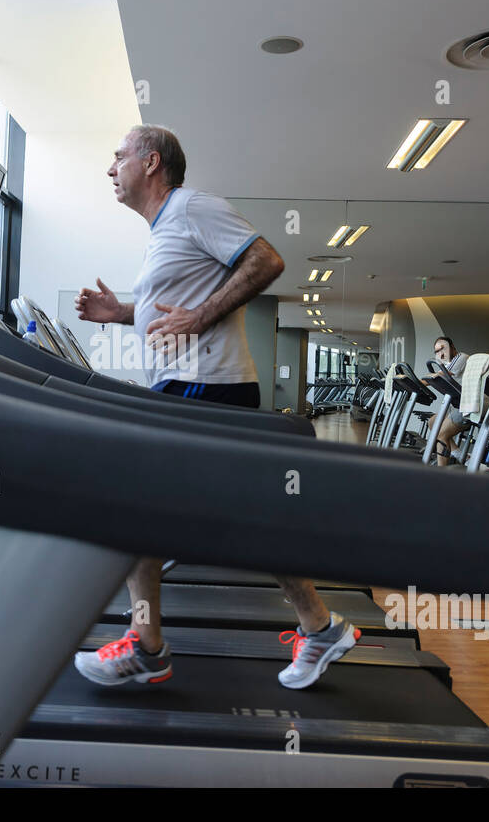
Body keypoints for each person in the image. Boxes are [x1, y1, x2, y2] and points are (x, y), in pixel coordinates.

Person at [71, 123, 356, 690]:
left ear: (151, 163)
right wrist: (123, 312)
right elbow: (177, 302)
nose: (110, 169)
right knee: (231, 521)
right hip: (192, 387)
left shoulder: (192, 208)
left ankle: (150, 646)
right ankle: (316, 626)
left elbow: (267, 262)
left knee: (131, 515)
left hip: (204, 387)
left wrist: (198, 319)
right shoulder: (163, 229)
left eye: (118, 157)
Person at [427, 335, 469, 467]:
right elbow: (434, 377)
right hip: (455, 405)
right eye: (438, 351)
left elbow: (441, 375)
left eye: (443, 349)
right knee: (433, 422)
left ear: (452, 348)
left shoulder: (462, 357)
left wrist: (420, 381)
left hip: (466, 406)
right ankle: (457, 453)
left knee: (441, 434)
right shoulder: (448, 363)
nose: (441, 353)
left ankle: (441, 473)